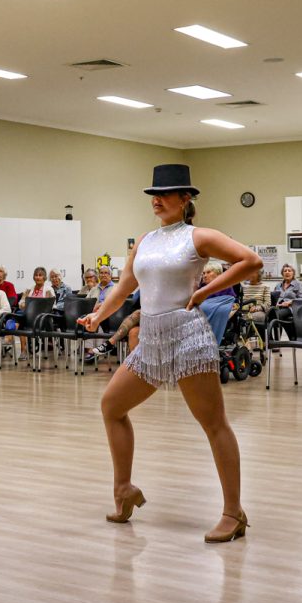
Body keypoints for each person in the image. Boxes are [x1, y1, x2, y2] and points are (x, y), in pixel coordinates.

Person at [78, 164, 261, 544]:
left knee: (214, 423)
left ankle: (233, 513)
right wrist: (99, 315)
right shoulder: (144, 241)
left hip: (188, 337)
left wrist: (208, 292)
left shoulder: (199, 237)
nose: (156, 200)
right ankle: (124, 489)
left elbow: (250, 262)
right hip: (152, 340)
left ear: (185, 199)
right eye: (153, 195)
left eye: (165, 194)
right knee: (112, 405)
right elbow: (127, 284)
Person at [196, 261, 238, 343]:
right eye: (203, 273)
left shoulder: (226, 286)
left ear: (218, 274)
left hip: (218, 318)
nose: (204, 276)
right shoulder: (201, 288)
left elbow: (231, 304)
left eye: (208, 272)